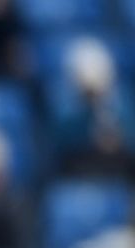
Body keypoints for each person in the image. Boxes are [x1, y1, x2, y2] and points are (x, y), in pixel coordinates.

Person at [52, 37, 135, 179]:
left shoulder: (123, 103)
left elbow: (130, 139)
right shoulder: (64, 110)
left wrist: (118, 139)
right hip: (80, 168)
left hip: (121, 168)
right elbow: (61, 145)